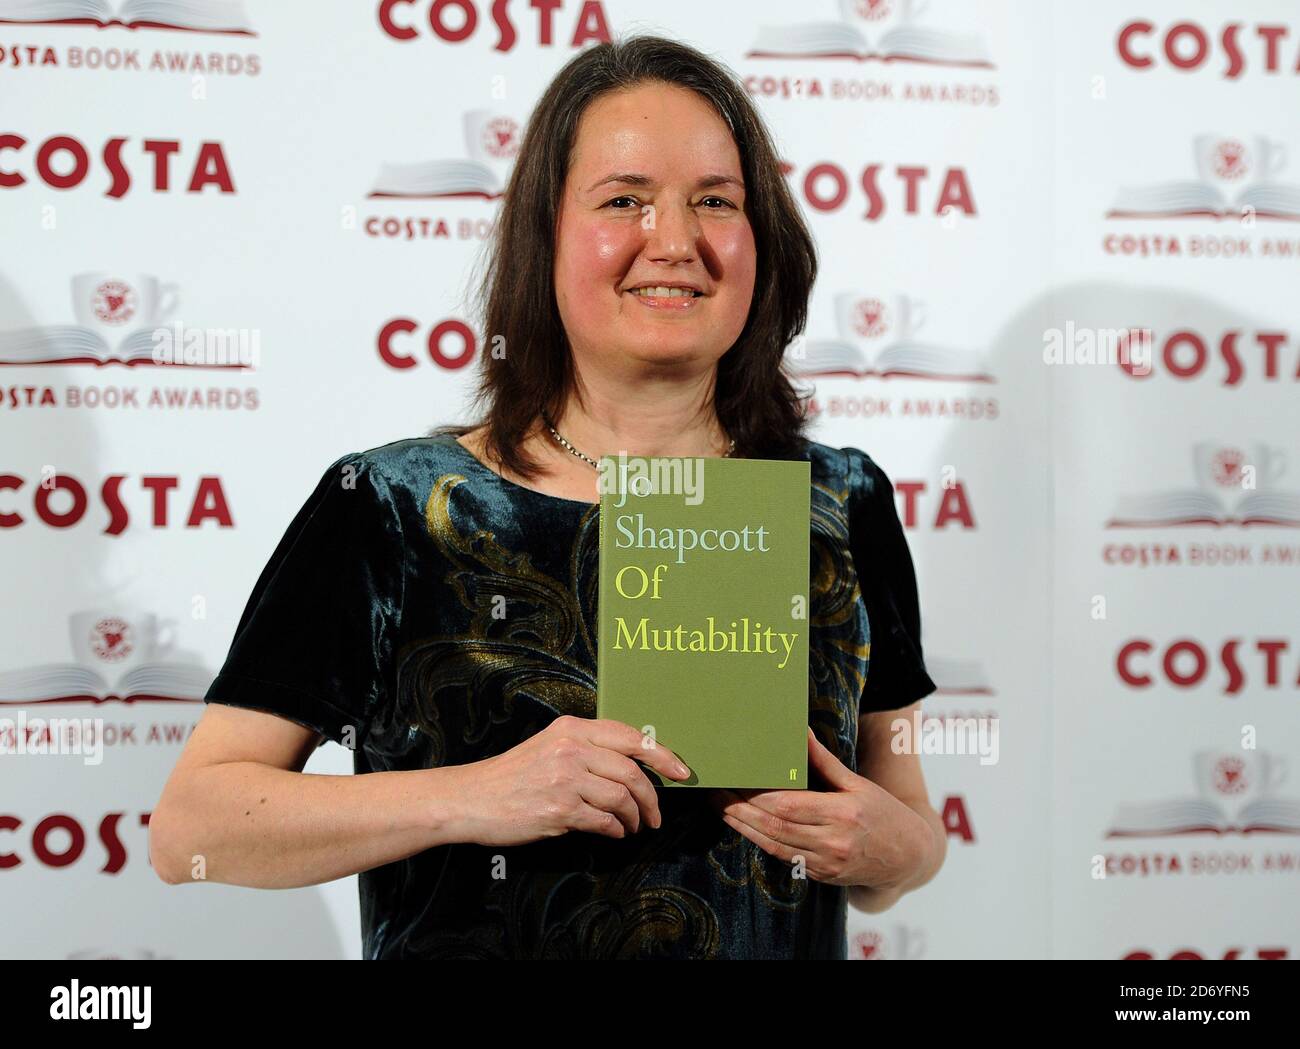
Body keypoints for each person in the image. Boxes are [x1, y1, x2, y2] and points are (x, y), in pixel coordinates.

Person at [150, 34, 945, 960]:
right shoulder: (398, 507)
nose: (676, 242)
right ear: (547, 237)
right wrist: (478, 793)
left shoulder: (842, 503)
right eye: (625, 201)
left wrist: (900, 850)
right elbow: (191, 829)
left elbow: (906, 828)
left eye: (716, 202)